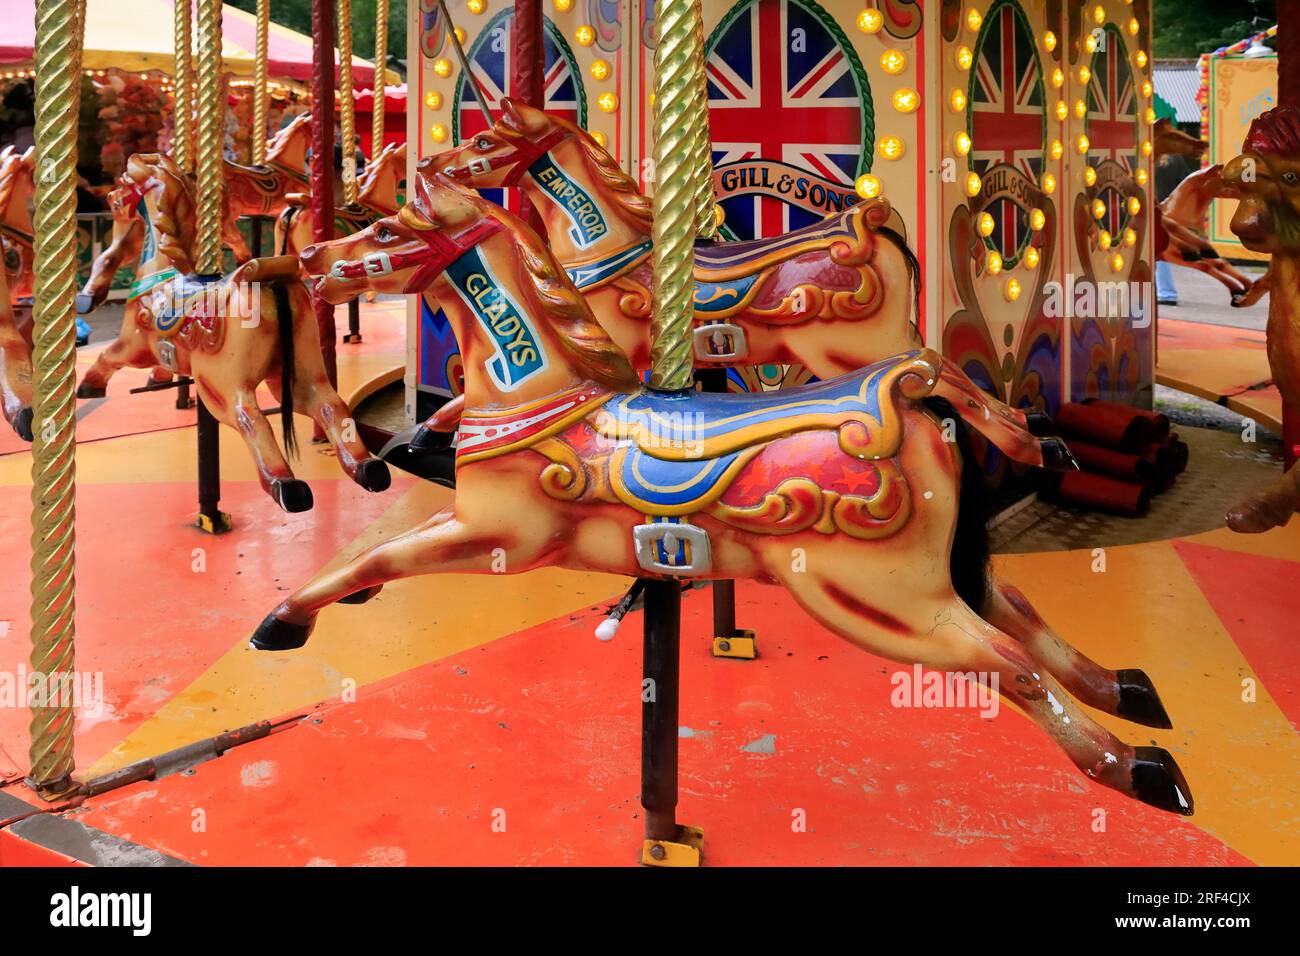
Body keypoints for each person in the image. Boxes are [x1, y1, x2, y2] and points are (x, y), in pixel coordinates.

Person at [1154, 151, 1194, 306]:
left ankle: (1165, 292)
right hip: (1169, 209)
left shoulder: (1143, 154)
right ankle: (1165, 291)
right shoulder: (1176, 157)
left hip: (1150, 208)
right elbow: (1186, 183)